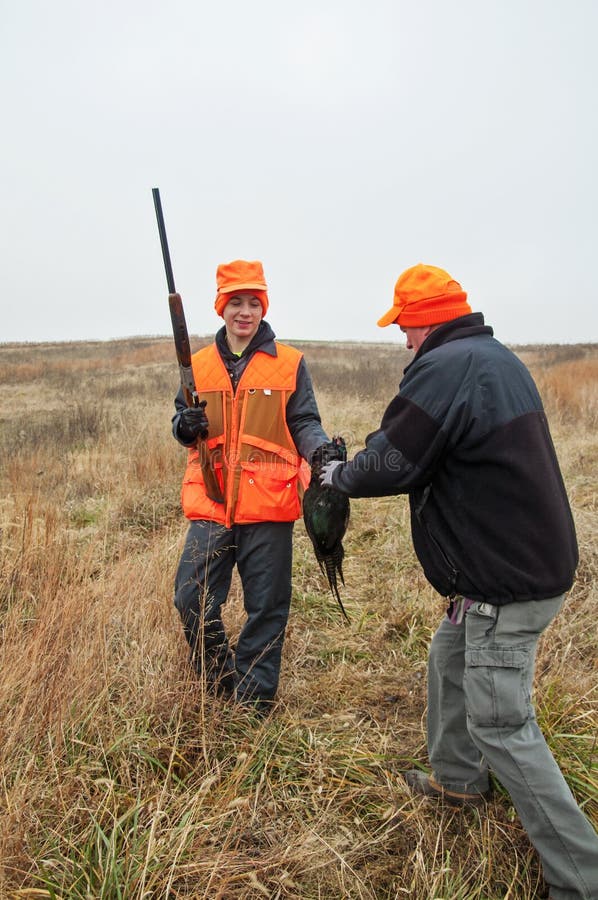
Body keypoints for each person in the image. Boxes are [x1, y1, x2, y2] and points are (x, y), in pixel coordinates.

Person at [320, 264, 598, 899]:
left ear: (421, 321)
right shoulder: (491, 357)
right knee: (449, 659)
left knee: (502, 723)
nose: (403, 342)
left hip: (506, 583)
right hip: (509, 569)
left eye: (403, 329)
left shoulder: (446, 366)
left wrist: (339, 475)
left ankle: (582, 879)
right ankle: (457, 779)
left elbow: (392, 461)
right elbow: (428, 449)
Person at [172, 259, 332, 715]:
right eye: (236, 302)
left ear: (263, 307)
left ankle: (252, 702)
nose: (245, 312)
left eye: (254, 303)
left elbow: (304, 422)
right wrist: (184, 425)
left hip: (269, 503)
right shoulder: (197, 365)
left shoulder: (290, 364)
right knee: (191, 598)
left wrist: (320, 453)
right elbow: (182, 425)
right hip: (212, 499)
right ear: (221, 307)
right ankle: (222, 677)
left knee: (266, 608)